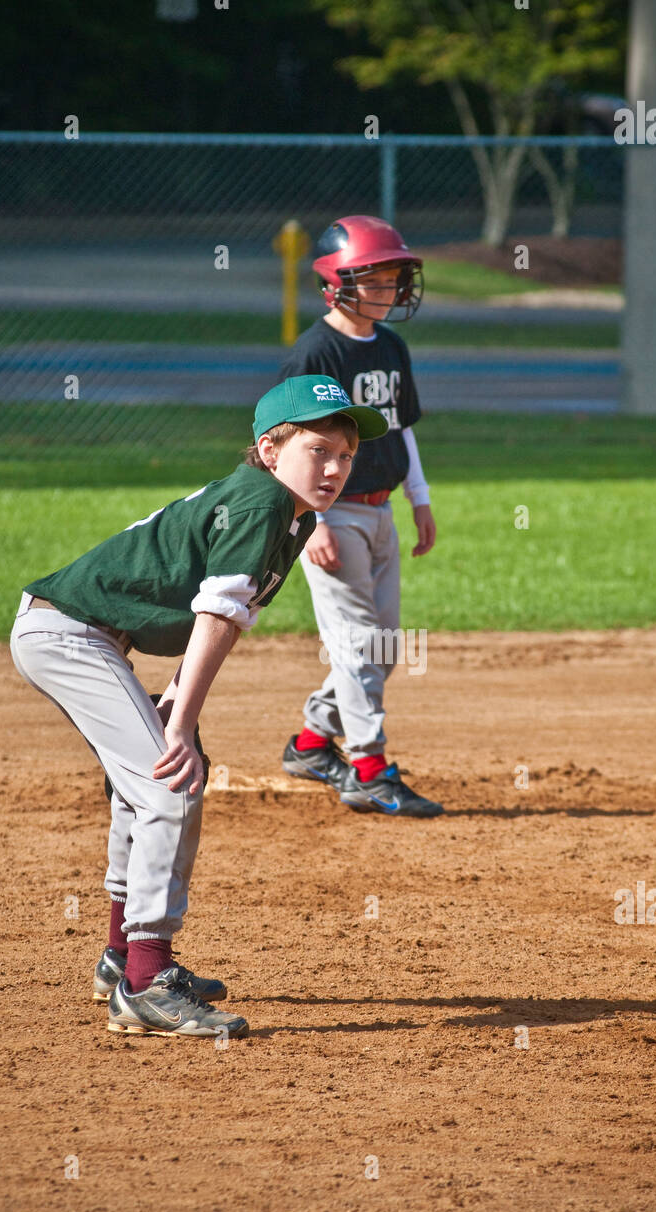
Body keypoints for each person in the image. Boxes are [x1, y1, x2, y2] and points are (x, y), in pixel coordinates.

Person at [9, 376, 387, 1039]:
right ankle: (145, 983)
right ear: (270, 450)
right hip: (67, 637)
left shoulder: (293, 515)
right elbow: (215, 608)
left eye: (346, 456)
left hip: (83, 636)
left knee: (152, 783)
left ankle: (123, 958)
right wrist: (178, 728)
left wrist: (181, 694)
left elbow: (226, 615)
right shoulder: (264, 501)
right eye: (318, 449)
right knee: (169, 785)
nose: (333, 468)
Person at [277, 215, 443, 817]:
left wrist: (418, 496)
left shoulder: (392, 347)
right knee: (356, 644)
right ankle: (370, 769)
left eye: (396, 277)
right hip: (334, 513)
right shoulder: (317, 352)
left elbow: (400, 430)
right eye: (376, 278)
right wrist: (309, 522)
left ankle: (313, 742)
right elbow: (290, 448)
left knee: (382, 646)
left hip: (381, 512)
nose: (391, 289)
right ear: (336, 283)